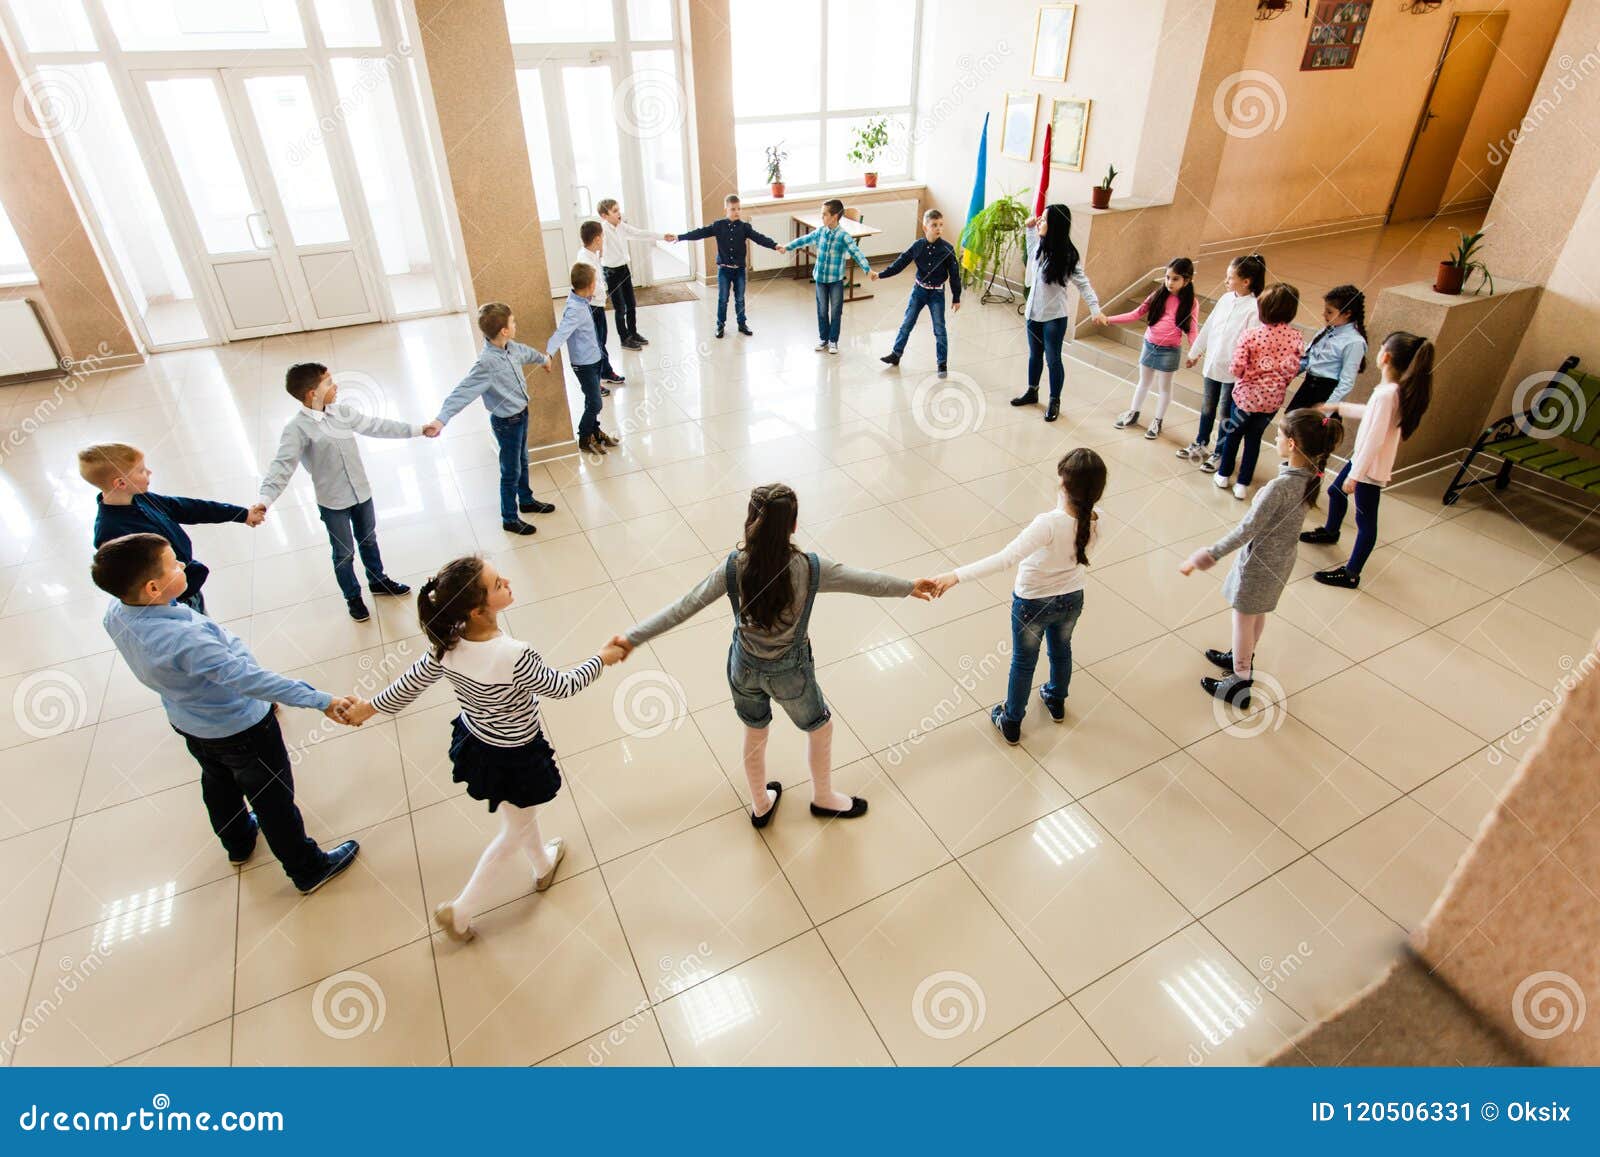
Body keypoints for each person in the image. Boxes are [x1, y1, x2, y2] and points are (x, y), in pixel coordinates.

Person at [616, 483, 939, 823]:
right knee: (820, 728)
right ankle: (824, 797)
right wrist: (909, 587)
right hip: (790, 673)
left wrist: (630, 639)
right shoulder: (811, 568)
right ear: (793, 526)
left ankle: (760, 805)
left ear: (750, 521)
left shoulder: (733, 568)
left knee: (755, 732)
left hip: (743, 669)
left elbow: (683, 607)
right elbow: (863, 581)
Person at [344, 556, 626, 941]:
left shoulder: (448, 642)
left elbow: (408, 685)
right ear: (478, 610)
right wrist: (602, 659)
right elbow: (562, 687)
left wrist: (369, 708)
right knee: (514, 828)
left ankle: (542, 863)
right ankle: (461, 910)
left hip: (479, 744)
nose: (506, 581)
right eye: (497, 584)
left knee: (519, 817)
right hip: (516, 753)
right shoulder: (514, 654)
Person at [93, 533, 360, 894]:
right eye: (174, 563)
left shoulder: (116, 613)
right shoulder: (184, 641)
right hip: (242, 728)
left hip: (191, 723)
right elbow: (247, 680)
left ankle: (238, 841)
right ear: (154, 587)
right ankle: (307, 868)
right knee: (273, 800)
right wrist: (321, 700)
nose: (183, 565)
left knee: (218, 782)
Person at [929, 448, 1105, 744]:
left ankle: (1011, 720)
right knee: (1062, 650)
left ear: (1063, 483)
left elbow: (1005, 559)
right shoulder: (1098, 519)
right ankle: (1056, 699)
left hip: (1032, 604)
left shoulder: (1047, 523)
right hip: (1072, 598)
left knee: (1024, 662)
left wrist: (955, 575)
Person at [1180, 409, 1344, 707]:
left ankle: (1239, 682)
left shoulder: (1279, 487)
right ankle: (1241, 656)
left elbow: (1246, 531)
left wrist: (1206, 555)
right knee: (1256, 614)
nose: (1276, 438)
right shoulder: (1311, 476)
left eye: (1280, 434)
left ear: (1292, 444)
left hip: (1259, 564)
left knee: (1242, 618)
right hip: (1281, 561)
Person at [253, 363, 440, 622]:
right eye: (328, 383)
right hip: (333, 503)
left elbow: (376, 426)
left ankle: (377, 580)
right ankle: (353, 597)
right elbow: (281, 466)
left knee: (369, 539)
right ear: (311, 394)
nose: (335, 386)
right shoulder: (296, 429)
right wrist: (264, 501)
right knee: (344, 553)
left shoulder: (341, 413)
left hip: (361, 494)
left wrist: (419, 429)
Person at [1301, 331, 1435, 589]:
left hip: (1370, 468)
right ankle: (1331, 531)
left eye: (1381, 347)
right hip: (1364, 462)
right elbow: (1373, 416)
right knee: (1335, 492)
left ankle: (1351, 573)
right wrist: (1339, 408)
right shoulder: (1391, 392)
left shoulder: (1388, 395)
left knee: (1366, 522)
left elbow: (1374, 437)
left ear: (1385, 356)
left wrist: (1355, 475)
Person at [82, 442, 262, 616]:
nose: (149, 472)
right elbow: (129, 584)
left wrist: (242, 514)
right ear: (120, 483)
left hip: (186, 585)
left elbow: (190, 508)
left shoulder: (143, 498)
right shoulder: (110, 533)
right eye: (141, 470)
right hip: (171, 604)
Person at [434, 303, 559, 538]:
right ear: (503, 330)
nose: (515, 325)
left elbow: (527, 353)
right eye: (512, 322)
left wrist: (543, 359)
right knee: (510, 471)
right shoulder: (486, 364)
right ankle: (509, 518)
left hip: (522, 415)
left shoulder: (511, 348)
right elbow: (462, 391)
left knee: (523, 460)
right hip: (506, 424)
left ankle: (526, 500)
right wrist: (442, 419)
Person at [1011, 203, 1106, 422]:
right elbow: (1031, 251)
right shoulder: (1041, 246)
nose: (1040, 221)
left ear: (1055, 225)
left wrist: (1095, 309)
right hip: (1033, 313)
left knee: (1053, 359)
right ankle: (1032, 391)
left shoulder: (1067, 255)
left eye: (1044, 220)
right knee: (1035, 355)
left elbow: (1084, 284)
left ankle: (1054, 400)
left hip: (1054, 317)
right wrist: (1029, 229)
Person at [1212, 282, 1304, 499]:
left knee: (1233, 435)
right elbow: (1293, 370)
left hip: (1245, 398)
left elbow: (1236, 368)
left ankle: (1223, 474)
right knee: (1254, 439)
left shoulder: (1250, 335)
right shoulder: (1296, 338)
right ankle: (1243, 484)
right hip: (1272, 400)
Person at [1183, 253, 1266, 465]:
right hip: (1213, 363)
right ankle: (1201, 442)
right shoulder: (1225, 299)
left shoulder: (1254, 309)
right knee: (1207, 406)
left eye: (1230, 278)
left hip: (1233, 372)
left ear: (1246, 282)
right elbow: (1209, 326)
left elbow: (1252, 345)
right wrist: (1195, 352)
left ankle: (1220, 451)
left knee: (1225, 411)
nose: (1226, 281)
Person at [1107, 257, 1200, 441]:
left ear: (1187, 280)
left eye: (1175, 279)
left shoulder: (1191, 303)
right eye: (1167, 277)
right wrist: (1109, 319)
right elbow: (1135, 314)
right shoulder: (1157, 294)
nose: (1169, 282)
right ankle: (1133, 412)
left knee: (1164, 387)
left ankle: (1158, 421)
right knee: (1144, 382)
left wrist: (1194, 352)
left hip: (1170, 350)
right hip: (1149, 344)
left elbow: (1192, 330)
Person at [670, 193, 782, 338]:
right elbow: (700, 233)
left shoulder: (745, 227)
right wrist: (680, 237)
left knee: (740, 298)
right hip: (724, 270)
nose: (736, 212)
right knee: (723, 298)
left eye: (738, 209)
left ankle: (742, 324)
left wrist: (775, 245)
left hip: (740, 270)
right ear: (726, 209)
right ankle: (720, 325)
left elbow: (759, 238)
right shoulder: (718, 225)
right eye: (733, 209)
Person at [874, 208, 962, 377]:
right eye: (934, 225)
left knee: (939, 329)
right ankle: (896, 354)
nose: (938, 228)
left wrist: (956, 297)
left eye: (941, 225)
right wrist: (880, 275)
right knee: (907, 323)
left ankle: (942, 363)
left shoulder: (947, 249)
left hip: (937, 294)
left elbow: (955, 275)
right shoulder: (917, 246)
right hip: (919, 291)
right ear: (925, 227)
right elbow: (900, 264)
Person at [779, 198, 872, 354]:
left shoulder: (843, 236)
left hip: (835, 281)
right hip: (820, 280)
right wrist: (787, 247)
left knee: (836, 310)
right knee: (822, 310)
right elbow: (804, 240)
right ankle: (824, 339)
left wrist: (867, 269)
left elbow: (856, 253)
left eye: (824, 214)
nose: (821, 217)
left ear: (834, 217)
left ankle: (833, 340)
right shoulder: (820, 231)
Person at [547, 262, 618, 457]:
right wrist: (549, 353)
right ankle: (585, 437)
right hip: (584, 364)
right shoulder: (574, 309)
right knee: (596, 403)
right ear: (590, 286)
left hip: (593, 360)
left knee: (591, 399)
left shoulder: (582, 301)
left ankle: (595, 431)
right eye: (595, 282)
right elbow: (561, 333)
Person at [596, 198, 666, 349]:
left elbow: (640, 233)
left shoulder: (621, 226)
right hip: (610, 272)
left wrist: (662, 236)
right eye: (614, 211)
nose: (618, 213)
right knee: (620, 307)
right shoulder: (602, 231)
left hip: (623, 269)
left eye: (618, 209)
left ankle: (633, 333)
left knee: (631, 304)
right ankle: (624, 338)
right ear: (604, 216)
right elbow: (597, 252)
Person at [1286, 284, 1368, 412]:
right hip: (1307, 388)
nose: (1324, 314)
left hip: (1325, 394)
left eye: (1329, 312)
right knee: (1288, 428)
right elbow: (1307, 358)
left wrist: (1327, 409)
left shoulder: (1354, 342)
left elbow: (1346, 382)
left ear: (1347, 314)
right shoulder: (1326, 330)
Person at [575, 220, 624, 388]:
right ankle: (595, 381)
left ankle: (605, 371)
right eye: (602, 237)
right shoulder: (585, 260)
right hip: (592, 307)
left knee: (600, 341)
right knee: (596, 344)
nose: (603, 240)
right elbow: (590, 285)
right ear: (596, 239)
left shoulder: (591, 255)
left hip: (598, 305)